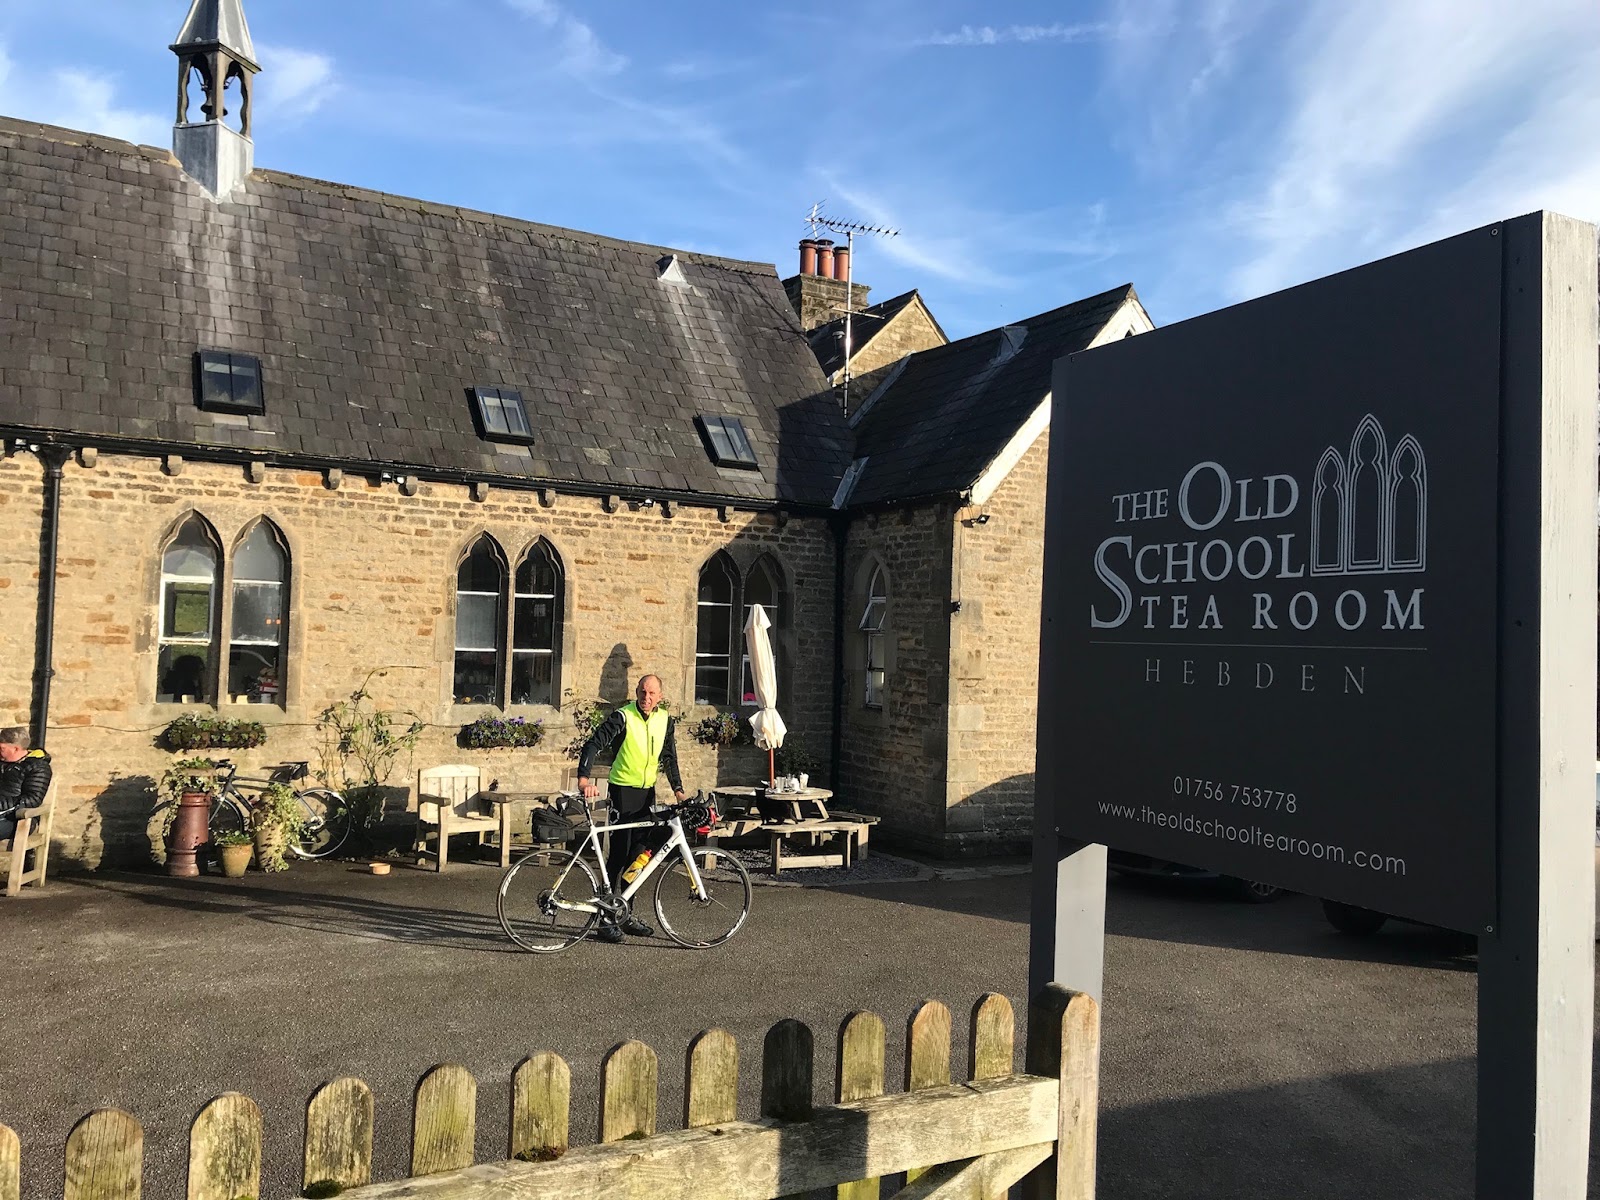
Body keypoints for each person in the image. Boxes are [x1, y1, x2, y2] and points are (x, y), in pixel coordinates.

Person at [577, 674, 686, 943]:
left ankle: (625, 913)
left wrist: (679, 790)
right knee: (619, 854)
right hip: (622, 792)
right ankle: (605, 921)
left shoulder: (665, 721)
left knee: (639, 856)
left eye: (651, 694)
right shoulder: (623, 717)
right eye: (641, 692)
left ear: (660, 696)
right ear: (636, 692)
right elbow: (594, 743)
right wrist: (584, 778)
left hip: (646, 793)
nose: (646, 698)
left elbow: (669, 757)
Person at [0, 726, 52, 845]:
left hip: (17, 818)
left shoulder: (38, 767)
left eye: (2, 748)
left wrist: (2, 805)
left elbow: (32, 799)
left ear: (16, 749)